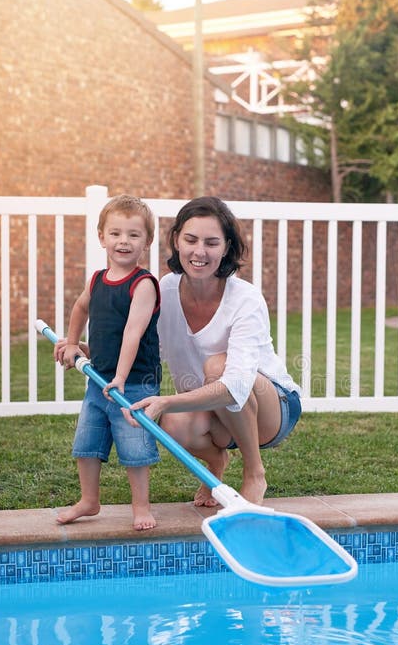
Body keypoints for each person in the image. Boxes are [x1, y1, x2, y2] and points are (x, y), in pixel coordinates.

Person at [123, 195, 301, 507]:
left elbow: (236, 387)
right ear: (176, 240)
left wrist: (167, 400)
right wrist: (90, 349)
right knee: (174, 423)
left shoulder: (246, 299)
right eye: (191, 239)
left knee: (218, 367)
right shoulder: (164, 288)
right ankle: (215, 465)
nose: (199, 252)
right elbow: (142, 342)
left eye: (212, 242)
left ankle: (254, 472)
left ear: (227, 247)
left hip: (271, 408)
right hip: (213, 411)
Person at [56, 194, 161, 530]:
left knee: (134, 445)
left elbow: (132, 333)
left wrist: (120, 376)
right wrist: (73, 343)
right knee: (87, 442)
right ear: (101, 236)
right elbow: (80, 308)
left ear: (147, 241)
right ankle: (89, 501)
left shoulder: (143, 285)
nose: (123, 241)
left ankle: (141, 506)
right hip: (99, 380)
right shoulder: (97, 280)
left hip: (133, 383)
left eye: (133, 234)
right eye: (115, 233)